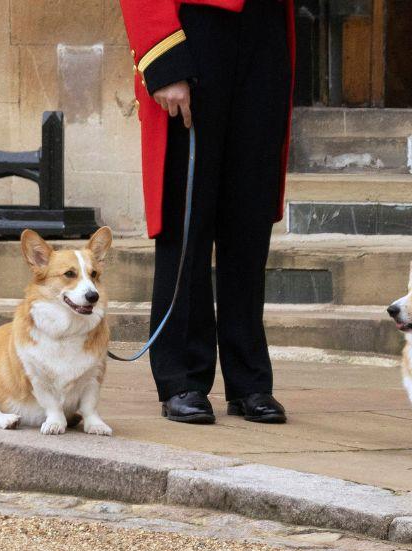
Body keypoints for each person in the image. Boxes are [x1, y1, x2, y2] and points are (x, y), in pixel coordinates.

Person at [118, 0, 295, 425]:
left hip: (263, 29)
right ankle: (183, 378)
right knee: (187, 218)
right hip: (194, 29)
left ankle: (249, 380)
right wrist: (163, 57)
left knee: (248, 220)